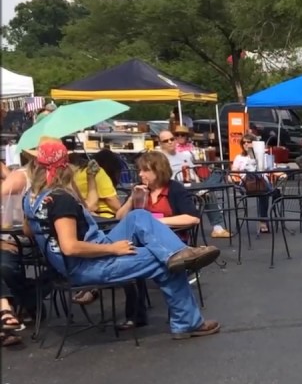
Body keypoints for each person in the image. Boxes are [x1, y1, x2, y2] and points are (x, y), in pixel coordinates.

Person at [20, 140, 220, 340]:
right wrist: (113, 249)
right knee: (165, 262)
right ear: (66, 167)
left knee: (139, 217)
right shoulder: (60, 200)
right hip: (86, 265)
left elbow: (28, 231)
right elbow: (70, 247)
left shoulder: (31, 198)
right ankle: (187, 322)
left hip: (71, 262)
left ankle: (178, 253)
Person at [115, 151, 204, 329]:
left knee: (155, 260)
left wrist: (155, 222)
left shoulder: (174, 189)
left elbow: (193, 218)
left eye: (144, 170)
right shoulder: (140, 191)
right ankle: (136, 315)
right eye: (139, 170)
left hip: (172, 240)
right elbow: (120, 219)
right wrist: (132, 199)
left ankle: (182, 318)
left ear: (158, 170)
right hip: (143, 243)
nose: (140, 174)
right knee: (126, 258)